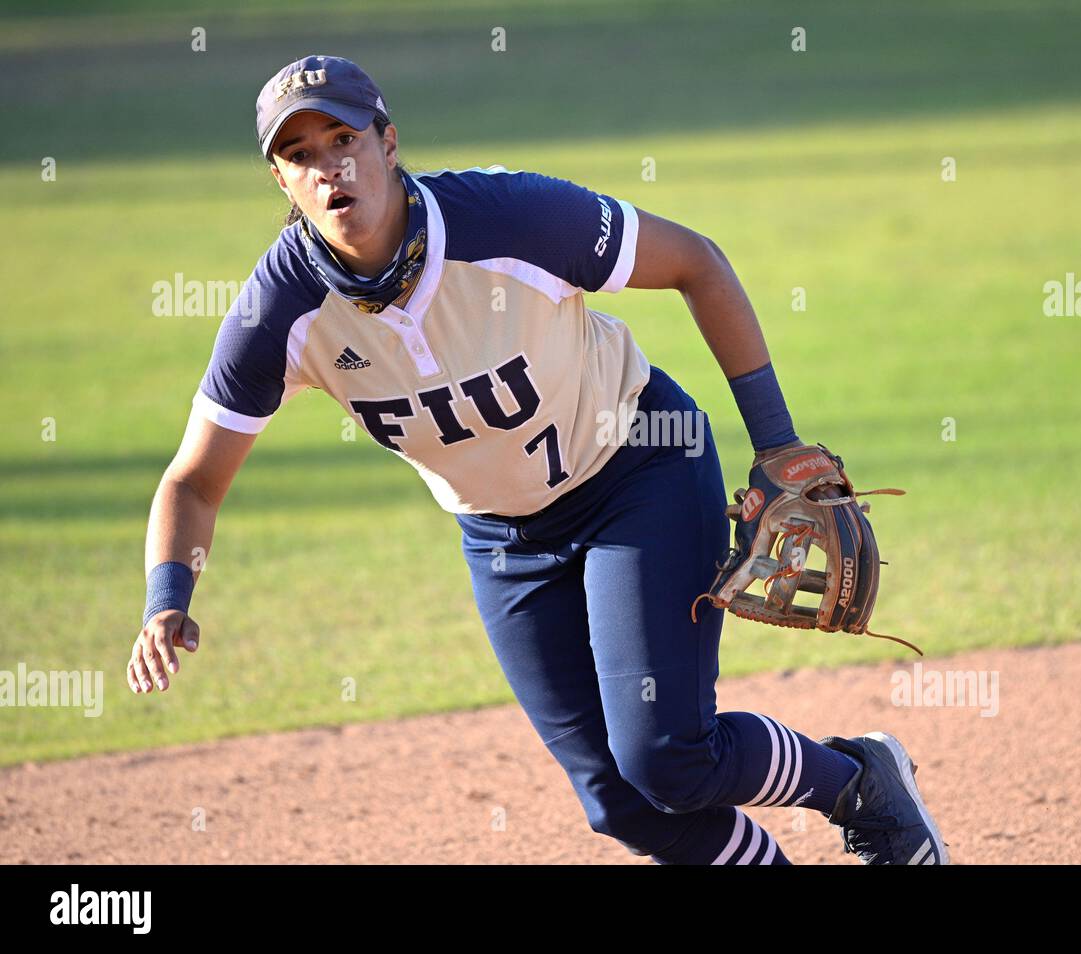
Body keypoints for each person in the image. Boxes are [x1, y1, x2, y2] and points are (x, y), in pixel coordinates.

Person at [127, 54, 948, 865]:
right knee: (622, 805)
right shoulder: (280, 313)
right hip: (502, 540)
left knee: (666, 756)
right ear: (280, 182)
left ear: (388, 142)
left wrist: (775, 442)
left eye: (343, 139)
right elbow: (193, 481)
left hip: (640, 472)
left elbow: (697, 261)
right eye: (298, 156)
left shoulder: (508, 219)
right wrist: (169, 595)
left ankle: (858, 782)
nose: (328, 169)